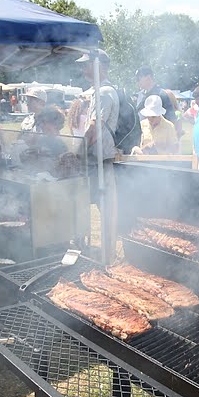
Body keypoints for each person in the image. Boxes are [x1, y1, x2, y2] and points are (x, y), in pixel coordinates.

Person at [76, 49, 119, 260]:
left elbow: (94, 129)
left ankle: (107, 256)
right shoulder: (99, 91)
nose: (82, 69)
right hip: (97, 161)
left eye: (86, 65)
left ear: (99, 66)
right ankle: (99, 253)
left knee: (106, 209)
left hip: (102, 162)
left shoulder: (104, 92)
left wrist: (78, 151)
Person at [134, 66, 179, 137]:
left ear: (148, 77)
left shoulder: (162, 95)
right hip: (144, 135)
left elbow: (171, 119)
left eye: (139, 79)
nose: (137, 82)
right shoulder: (140, 95)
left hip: (160, 138)